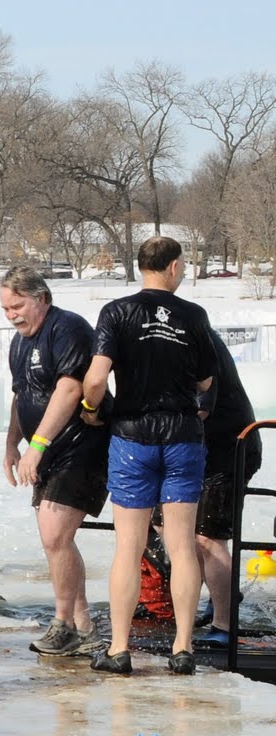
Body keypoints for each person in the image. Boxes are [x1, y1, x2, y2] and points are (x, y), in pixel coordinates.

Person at [82, 236, 216, 675]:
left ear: (143, 266)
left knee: (129, 545)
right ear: (174, 267)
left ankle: (119, 649)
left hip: (133, 437)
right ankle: (182, 649)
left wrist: (90, 408)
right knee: (180, 546)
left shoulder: (116, 312)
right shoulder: (194, 316)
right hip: (182, 436)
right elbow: (204, 382)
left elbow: (96, 377)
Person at [0, 267, 109, 657]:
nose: (12, 314)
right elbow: (20, 394)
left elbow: (70, 387)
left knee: (55, 536)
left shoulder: (68, 329)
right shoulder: (19, 342)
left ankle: (64, 624)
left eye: (18, 305)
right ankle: (84, 627)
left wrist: (38, 445)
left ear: (41, 298)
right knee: (55, 541)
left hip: (80, 447)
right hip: (45, 453)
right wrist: (13, 444)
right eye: (6, 308)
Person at [195, 330, 261, 648]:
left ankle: (224, 623)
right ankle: (223, 592)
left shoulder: (195, 338)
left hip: (230, 446)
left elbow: (201, 405)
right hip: (194, 449)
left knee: (208, 537)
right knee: (165, 525)